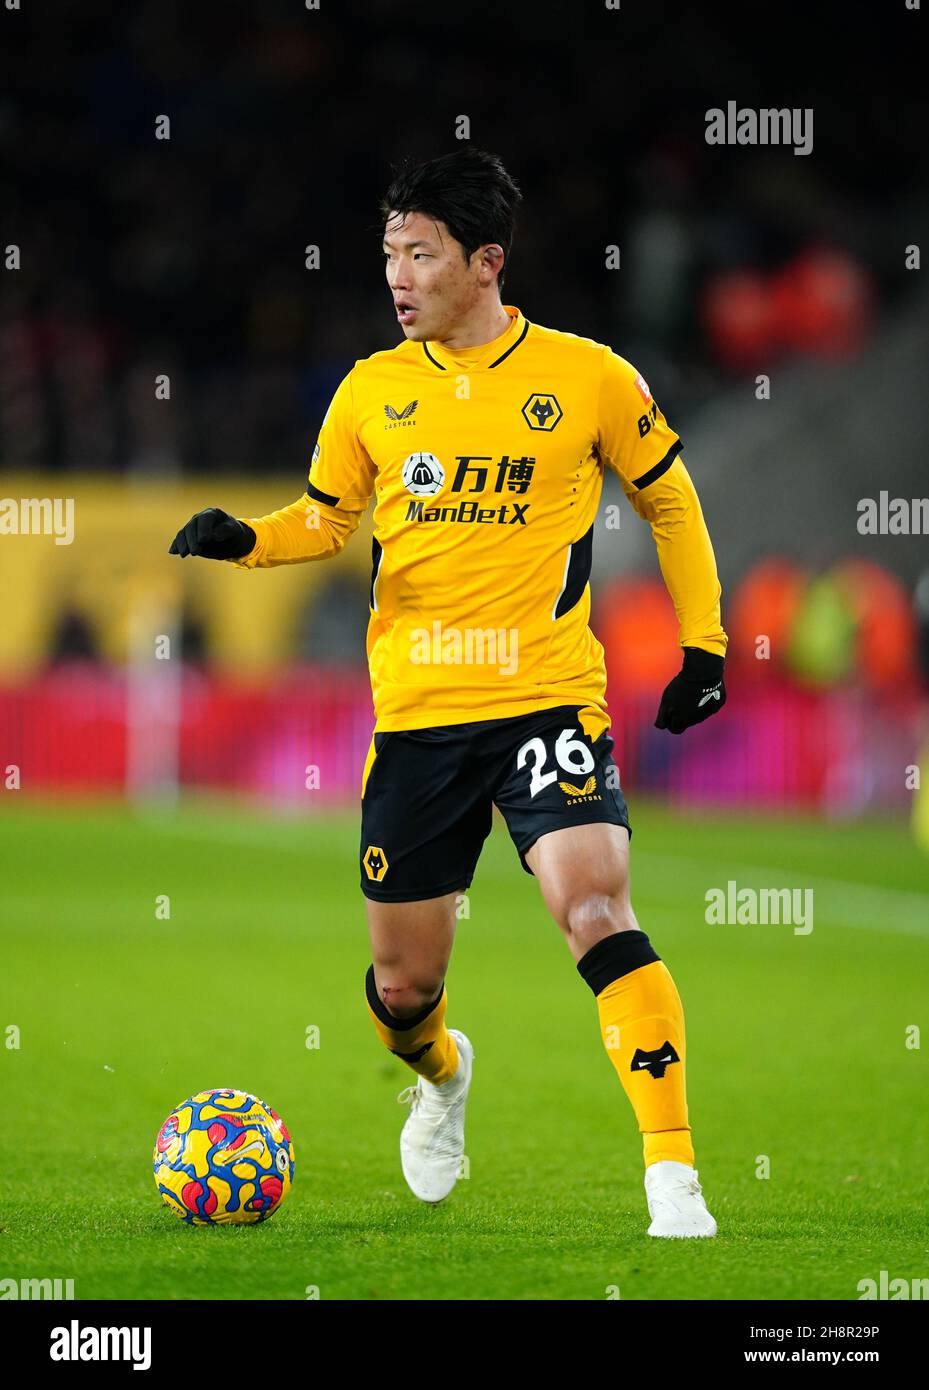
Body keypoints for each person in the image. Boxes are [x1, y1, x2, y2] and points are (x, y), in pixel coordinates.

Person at [170, 147, 728, 1237]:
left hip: (546, 701)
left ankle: (672, 1176)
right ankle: (440, 1075)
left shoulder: (588, 378)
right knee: (400, 993)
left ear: (485, 262)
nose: (397, 274)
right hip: (419, 720)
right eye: (389, 253)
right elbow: (326, 516)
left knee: (596, 905)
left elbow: (670, 500)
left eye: (418, 253)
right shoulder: (372, 391)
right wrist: (247, 541)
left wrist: (702, 646)